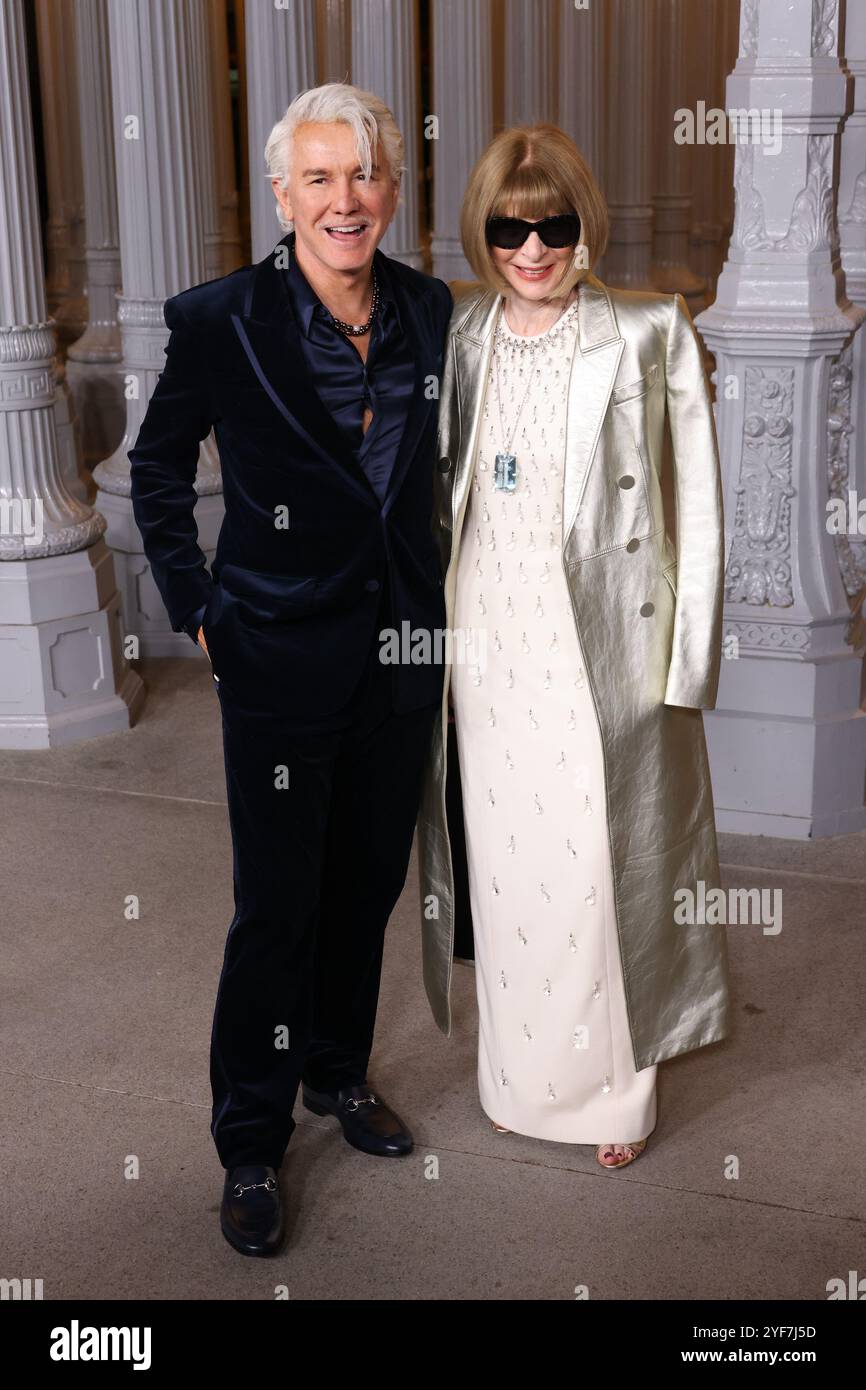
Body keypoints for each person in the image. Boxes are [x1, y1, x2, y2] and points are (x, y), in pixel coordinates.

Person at [129, 82, 451, 1255]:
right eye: (318, 179)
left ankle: (335, 1072)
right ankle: (251, 1142)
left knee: (364, 882)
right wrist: (200, 610)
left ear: (391, 189)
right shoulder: (220, 320)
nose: (343, 199)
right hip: (273, 653)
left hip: (398, 651)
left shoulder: (430, 308)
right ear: (281, 196)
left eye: (362, 176)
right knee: (276, 907)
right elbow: (156, 470)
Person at [416, 123, 731, 1170]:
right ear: (485, 230)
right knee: (508, 871)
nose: (533, 247)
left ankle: (613, 1099)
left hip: (597, 643)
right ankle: (515, 1081)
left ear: (578, 223)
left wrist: (682, 669)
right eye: (511, 227)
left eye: (552, 224)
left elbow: (696, 506)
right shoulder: (462, 332)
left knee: (606, 868)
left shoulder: (646, 330)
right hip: (487, 635)